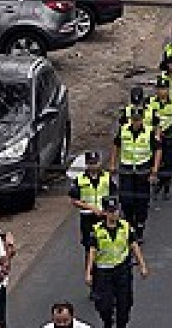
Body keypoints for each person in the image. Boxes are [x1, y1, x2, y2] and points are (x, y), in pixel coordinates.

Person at [85, 197, 149, 328]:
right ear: (104, 212)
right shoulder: (97, 230)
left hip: (122, 270)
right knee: (103, 305)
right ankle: (108, 322)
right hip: (103, 272)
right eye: (110, 211)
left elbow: (134, 245)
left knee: (125, 304)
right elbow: (92, 251)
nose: (113, 214)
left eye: (115, 211)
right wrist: (88, 273)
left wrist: (142, 265)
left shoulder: (125, 227)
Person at [109, 88, 161, 243]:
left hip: (143, 170)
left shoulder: (148, 132)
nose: (136, 122)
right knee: (125, 200)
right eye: (134, 119)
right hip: (126, 169)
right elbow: (116, 145)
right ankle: (129, 223)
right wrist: (112, 164)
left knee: (141, 202)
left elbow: (158, 149)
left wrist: (154, 170)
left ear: (142, 119)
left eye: (138, 119)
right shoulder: (124, 130)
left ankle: (139, 229)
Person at [147, 73, 172, 200]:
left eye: (164, 89)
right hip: (156, 137)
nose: (161, 91)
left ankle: (166, 186)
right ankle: (158, 183)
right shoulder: (150, 102)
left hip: (171, 136)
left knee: (169, 163)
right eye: (159, 89)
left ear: (168, 90)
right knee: (157, 161)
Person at [70, 151, 116, 255]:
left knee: (105, 244)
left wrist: (108, 212)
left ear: (99, 162)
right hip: (87, 216)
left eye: (95, 163)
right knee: (89, 245)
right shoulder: (79, 179)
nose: (93, 166)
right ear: (86, 164)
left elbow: (114, 196)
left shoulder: (107, 177)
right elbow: (74, 201)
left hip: (104, 215)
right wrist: (91, 208)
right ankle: (89, 265)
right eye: (91, 163)